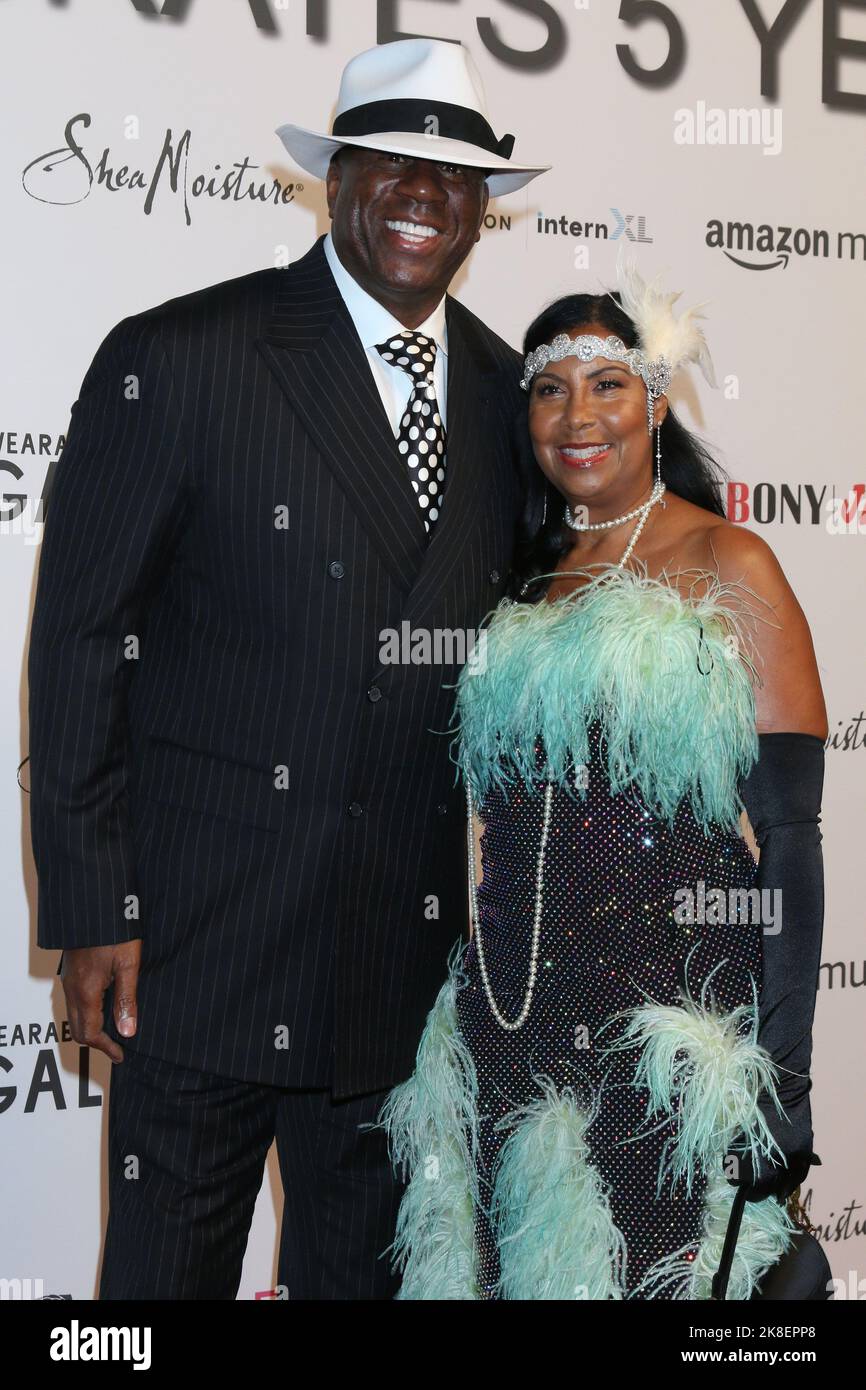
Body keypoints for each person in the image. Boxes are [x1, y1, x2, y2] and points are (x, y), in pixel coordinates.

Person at [27, 38, 548, 1300]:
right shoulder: (188, 355)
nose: (423, 192)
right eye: (392, 160)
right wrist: (96, 907)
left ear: (484, 206)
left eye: (455, 171)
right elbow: (81, 641)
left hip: (396, 963)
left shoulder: (510, 397)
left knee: (363, 1281)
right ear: (334, 179)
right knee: (156, 1289)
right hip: (200, 943)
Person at [378, 251, 828, 1299]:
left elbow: (791, 842)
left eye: (605, 382)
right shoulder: (520, 585)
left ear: (655, 400)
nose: (574, 415)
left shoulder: (728, 561)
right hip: (514, 1033)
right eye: (547, 387)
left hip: (667, 1040)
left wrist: (782, 1080)